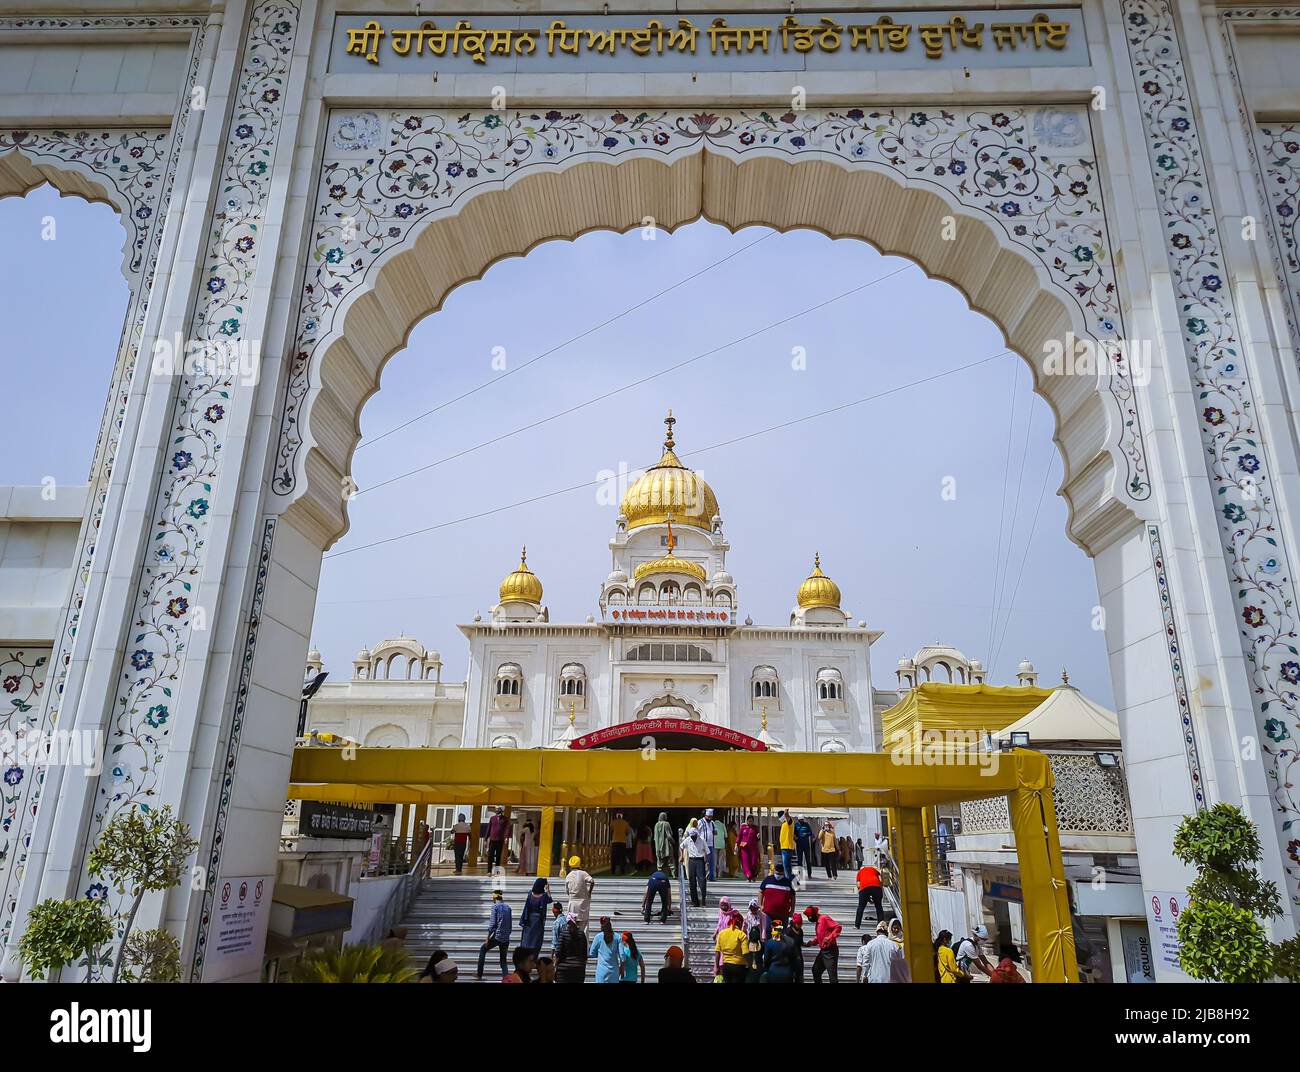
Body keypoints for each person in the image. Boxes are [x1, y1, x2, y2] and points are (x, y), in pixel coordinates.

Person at [476, 889, 513, 979]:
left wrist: (487, 938)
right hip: (506, 938)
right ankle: (506, 979)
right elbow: (510, 924)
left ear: (494, 897)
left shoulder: (495, 907)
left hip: (497, 937)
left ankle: (479, 974)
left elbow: (492, 924)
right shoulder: (508, 907)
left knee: (483, 950)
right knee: (503, 960)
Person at [804, 905, 842, 983]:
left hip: (830, 951)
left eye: (810, 917)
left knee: (833, 978)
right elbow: (821, 935)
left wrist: (830, 938)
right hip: (823, 951)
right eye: (808, 917)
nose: (809, 919)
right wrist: (812, 942)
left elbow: (838, 927)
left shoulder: (824, 918)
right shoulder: (818, 922)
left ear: (815, 914)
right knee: (816, 970)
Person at [758, 861, 795, 938]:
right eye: (777, 872)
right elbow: (761, 892)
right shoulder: (768, 880)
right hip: (768, 913)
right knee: (768, 932)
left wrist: (792, 910)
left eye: (780, 873)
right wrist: (760, 905)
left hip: (782, 914)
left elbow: (793, 896)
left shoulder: (787, 882)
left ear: (783, 872)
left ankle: (778, 948)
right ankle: (768, 948)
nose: (778, 875)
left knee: (779, 935)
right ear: (774, 870)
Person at [518, 877, 552, 956]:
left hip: (529, 919)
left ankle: (525, 954)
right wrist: (548, 890)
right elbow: (550, 899)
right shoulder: (543, 896)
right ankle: (533, 956)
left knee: (527, 938)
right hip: (538, 920)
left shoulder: (530, 894)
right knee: (536, 939)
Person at [715, 909, 750, 983]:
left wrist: (716, 966)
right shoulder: (741, 934)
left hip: (726, 967)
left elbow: (717, 951)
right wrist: (749, 964)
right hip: (739, 967)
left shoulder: (721, 933)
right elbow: (745, 953)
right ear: (740, 923)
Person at [554, 910, 588, 983]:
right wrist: (582, 967)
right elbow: (585, 954)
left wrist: (555, 966)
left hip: (564, 971)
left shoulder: (563, 934)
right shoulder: (582, 934)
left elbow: (558, 953)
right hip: (578, 970)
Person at [589, 916, 624, 983]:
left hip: (601, 972)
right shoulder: (617, 937)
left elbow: (592, 954)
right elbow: (622, 956)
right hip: (614, 973)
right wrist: (622, 969)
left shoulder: (598, 937)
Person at [683, 818, 709, 907]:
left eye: (694, 836)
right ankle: (695, 901)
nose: (693, 838)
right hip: (691, 861)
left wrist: (706, 862)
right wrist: (681, 856)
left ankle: (703, 899)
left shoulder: (701, 840)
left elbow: (707, 851)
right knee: (692, 882)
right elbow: (681, 846)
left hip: (700, 861)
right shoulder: (688, 839)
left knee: (702, 881)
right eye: (692, 836)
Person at [564, 855, 595, 930]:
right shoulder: (583, 873)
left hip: (572, 905)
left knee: (572, 926)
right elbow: (592, 881)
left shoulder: (568, 876)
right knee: (582, 928)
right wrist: (589, 892)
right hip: (583, 904)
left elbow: (567, 891)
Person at [855, 860, 885, 927]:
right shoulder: (874, 870)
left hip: (865, 887)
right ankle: (881, 925)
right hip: (876, 886)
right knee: (879, 906)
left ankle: (857, 925)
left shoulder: (859, 872)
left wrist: (865, 898)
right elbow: (880, 880)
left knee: (861, 907)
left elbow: (858, 885)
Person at [737, 815, 761, 881]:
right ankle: (749, 876)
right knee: (745, 862)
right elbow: (739, 837)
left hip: (753, 848)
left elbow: (758, 839)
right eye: (749, 821)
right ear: (747, 821)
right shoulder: (743, 827)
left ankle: (754, 875)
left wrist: (758, 836)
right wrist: (736, 846)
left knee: (753, 863)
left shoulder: (755, 828)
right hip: (744, 848)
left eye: (751, 821)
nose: (750, 822)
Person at [653, 811, 677, 876]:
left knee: (660, 862)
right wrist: (673, 841)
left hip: (658, 846)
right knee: (671, 860)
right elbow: (669, 835)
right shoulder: (666, 824)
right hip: (667, 846)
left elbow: (655, 837)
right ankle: (673, 874)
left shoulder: (656, 825)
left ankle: (659, 874)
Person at [486, 806, 508, 871]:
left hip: (500, 840)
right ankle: (489, 871)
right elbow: (489, 828)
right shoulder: (492, 818)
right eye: (496, 809)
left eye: (498, 809)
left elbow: (507, 828)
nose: (496, 810)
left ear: (501, 810)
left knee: (498, 856)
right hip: (492, 840)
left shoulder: (505, 819)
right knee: (490, 856)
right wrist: (485, 838)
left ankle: (496, 871)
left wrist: (506, 837)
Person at [794, 814, 814, 879]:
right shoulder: (796, 825)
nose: (801, 821)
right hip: (799, 844)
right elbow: (794, 833)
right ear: (798, 820)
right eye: (800, 820)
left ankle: (809, 874)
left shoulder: (807, 825)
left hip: (806, 845)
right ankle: (800, 874)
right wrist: (795, 838)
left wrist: (806, 834)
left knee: (808, 860)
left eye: (802, 820)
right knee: (799, 860)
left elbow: (811, 833)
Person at [778, 810, 797, 880]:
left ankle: (789, 882)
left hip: (787, 847)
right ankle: (794, 881)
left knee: (786, 867)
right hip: (784, 847)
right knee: (787, 867)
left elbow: (786, 815)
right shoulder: (783, 824)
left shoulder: (789, 822)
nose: (779, 818)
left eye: (780, 816)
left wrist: (786, 810)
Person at [700, 808, 717, 880]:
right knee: (703, 861)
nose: (709, 818)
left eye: (711, 817)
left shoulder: (712, 823)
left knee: (712, 861)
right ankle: (702, 876)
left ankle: (711, 876)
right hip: (703, 845)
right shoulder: (700, 822)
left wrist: (714, 832)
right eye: (708, 817)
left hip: (711, 845)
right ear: (705, 815)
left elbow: (715, 832)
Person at [712, 812, 728, 877]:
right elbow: (726, 836)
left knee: (714, 859)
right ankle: (719, 874)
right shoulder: (722, 825)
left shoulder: (712, 825)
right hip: (722, 845)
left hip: (714, 844)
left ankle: (714, 873)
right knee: (721, 860)